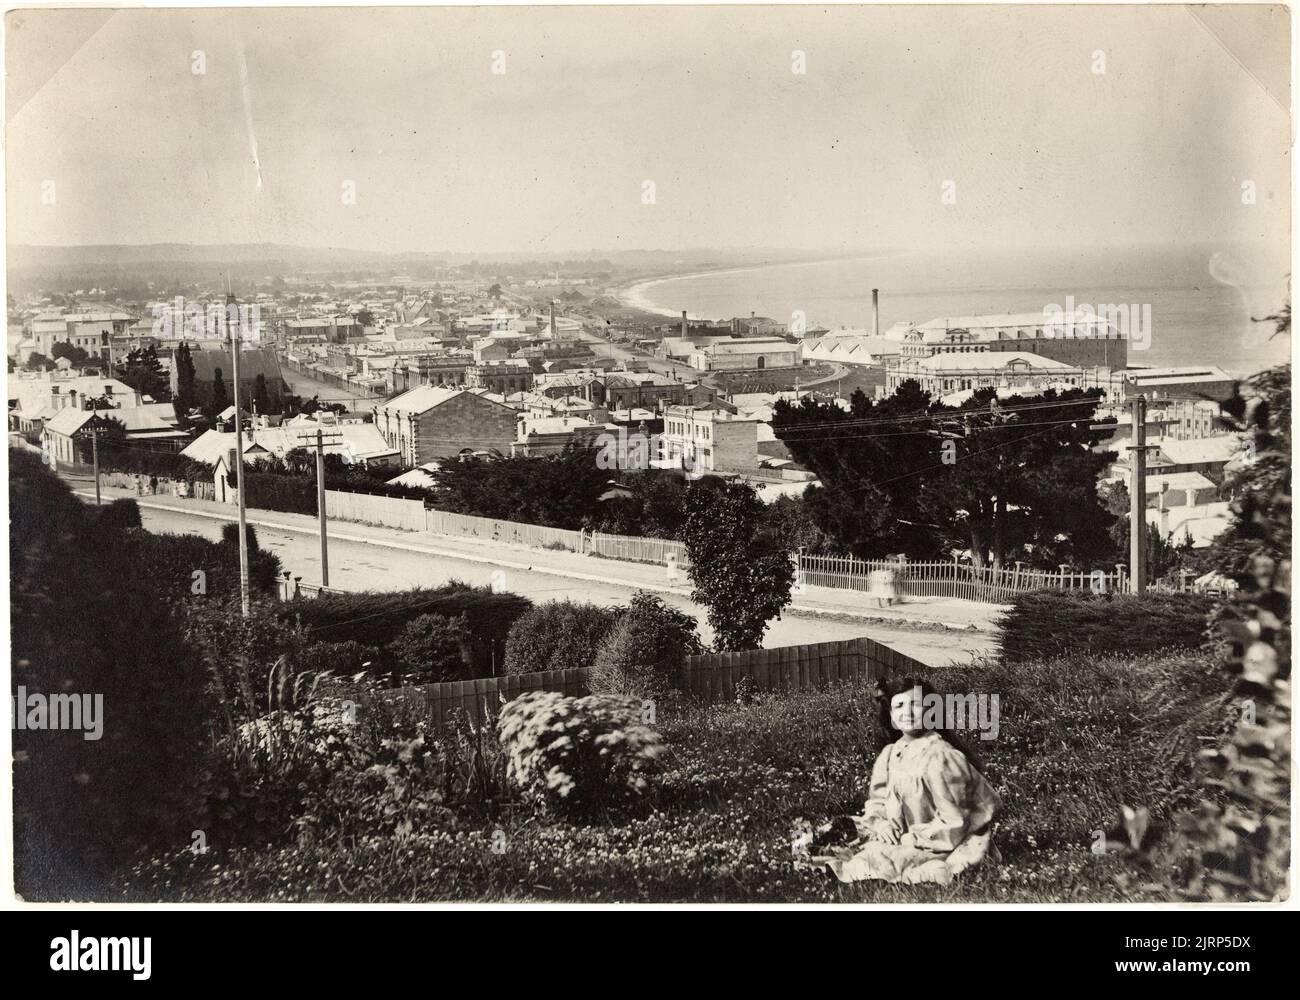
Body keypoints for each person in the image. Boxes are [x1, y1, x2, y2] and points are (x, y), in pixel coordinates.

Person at [809, 677, 1000, 886]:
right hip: (901, 833)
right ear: (891, 716)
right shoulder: (892, 753)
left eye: (915, 705)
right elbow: (879, 801)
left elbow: (955, 820)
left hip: (940, 841)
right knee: (834, 833)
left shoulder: (941, 756)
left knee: (878, 858)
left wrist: (913, 838)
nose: (907, 713)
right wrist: (882, 825)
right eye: (899, 705)